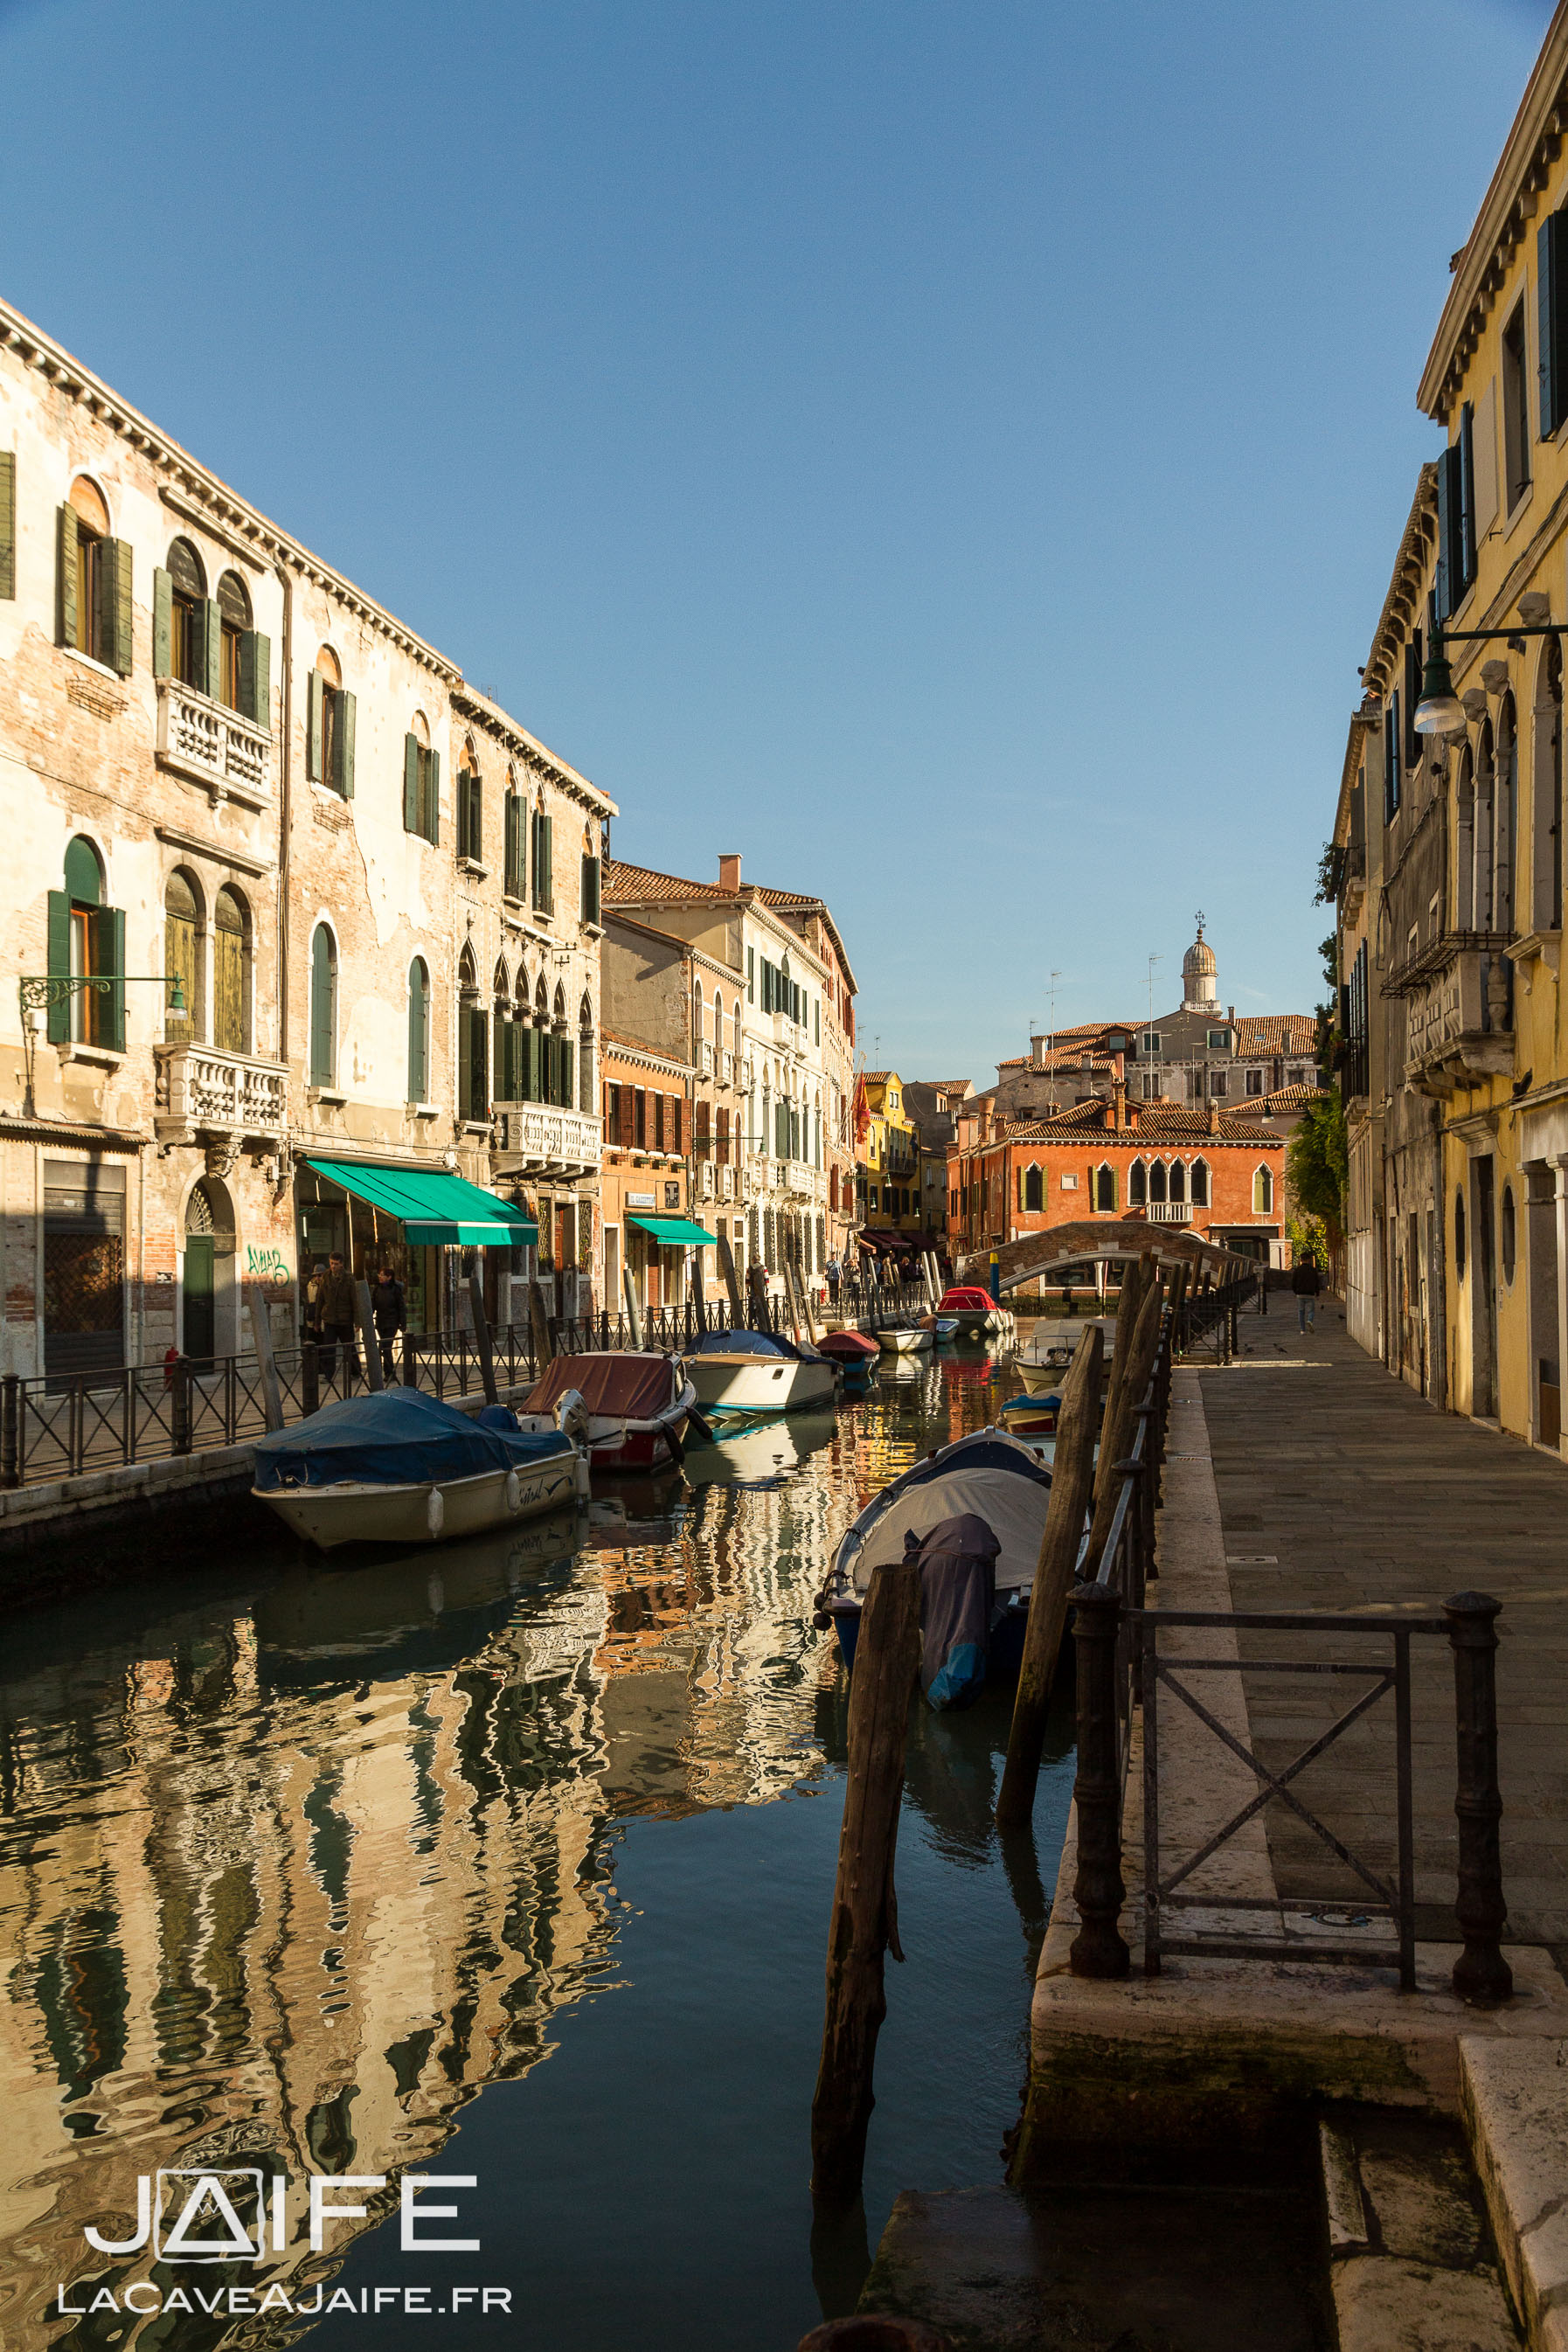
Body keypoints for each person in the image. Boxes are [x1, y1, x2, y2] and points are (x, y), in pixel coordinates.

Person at [318, 1251, 358, 1384]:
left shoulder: (349, 1278)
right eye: (331, 1263)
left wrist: (358, 1322)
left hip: (345, 1319)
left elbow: (355, 1301)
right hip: (330, 1319)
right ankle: (328, 1375)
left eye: (335, 1264)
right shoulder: (326, 1277)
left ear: (341, 1264)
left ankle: (355, 1371)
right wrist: (317, 1321)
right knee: (328, 1348)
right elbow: (320, 1299)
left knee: (349, 1347)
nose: (333, 1266)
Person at [371, 1262, 407, 1381]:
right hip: (381, 1323)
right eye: (379, 1274)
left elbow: (401, 1307)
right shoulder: (377, 1289)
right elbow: (373, 1305)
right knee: (384, 1348)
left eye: (382, 1275)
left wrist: (403, 1323)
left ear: (389, 1277)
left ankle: (389, 1373)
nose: (379, 1277)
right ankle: (389, 1373)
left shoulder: (395, 1290)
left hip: (392, 1323)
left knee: (385, 1347)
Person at [1292, 1251, 1322, 1335]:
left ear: (1301, 1260)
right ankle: (1309, 1320)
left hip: (1300, 1294)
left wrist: (1296, 1292)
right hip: (1310, 1294)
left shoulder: (1297, 1270)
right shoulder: (1313, 1270)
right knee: (1311, 1310)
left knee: (1301, 1311)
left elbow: (1293, 1282)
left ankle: (1302, 1330)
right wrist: (1317, 1293)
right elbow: (1317, 1282)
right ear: (1309, 1260)